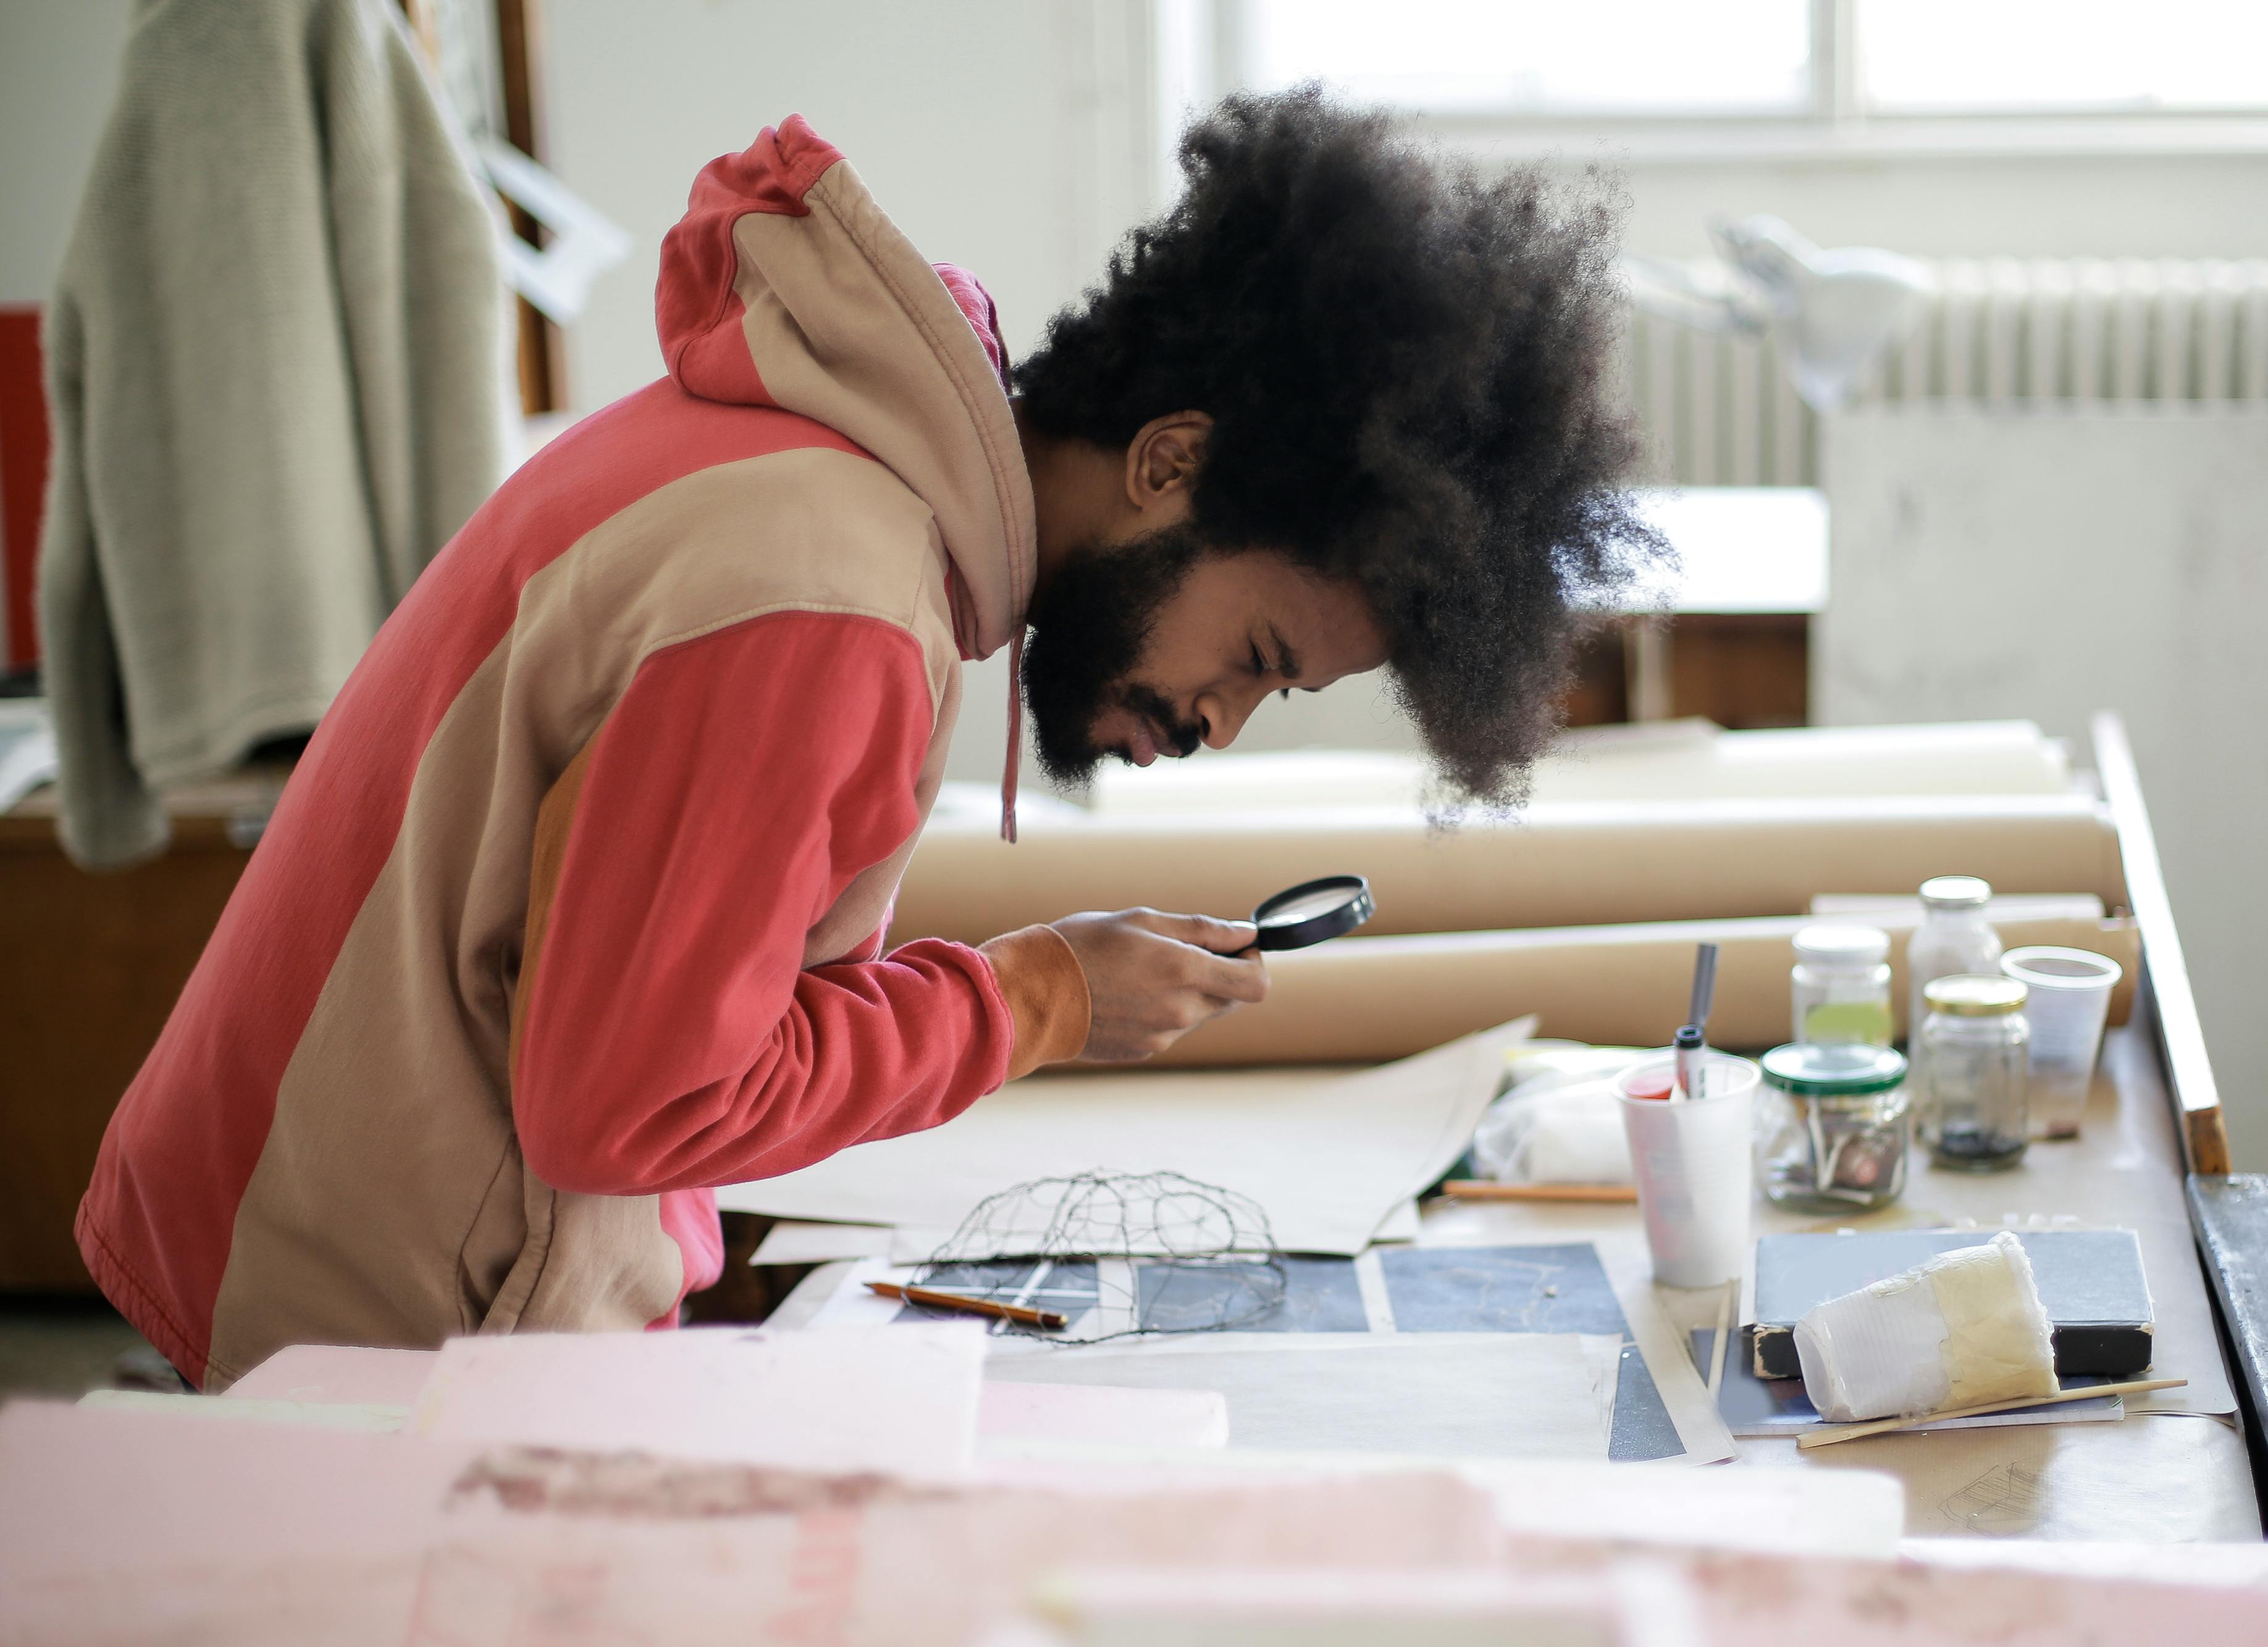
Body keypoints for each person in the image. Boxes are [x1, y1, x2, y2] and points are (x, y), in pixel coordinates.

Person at [77, 89, 1649, 1389]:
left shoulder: (820, 465)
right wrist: (1034, 998)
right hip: (352, 1340)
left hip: (327, 1239)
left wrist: (1024, 981)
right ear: (1176, 460)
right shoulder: (827, 597)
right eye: (1252, 661)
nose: (1214, 729)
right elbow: (627, 1107)